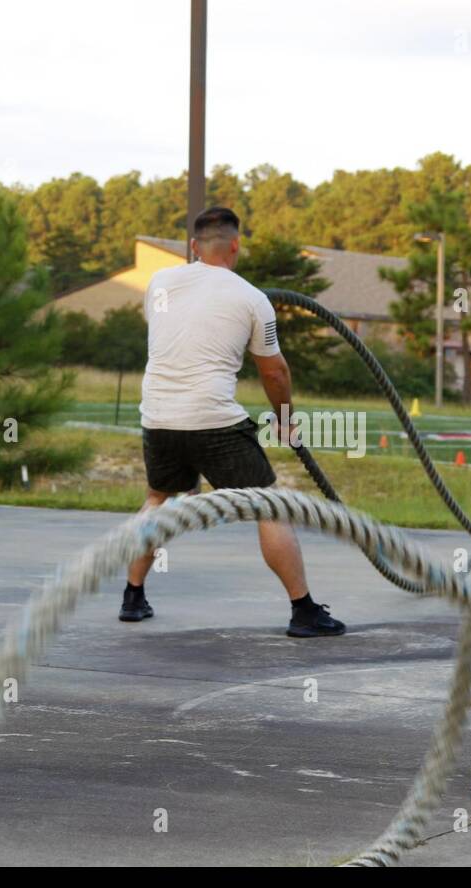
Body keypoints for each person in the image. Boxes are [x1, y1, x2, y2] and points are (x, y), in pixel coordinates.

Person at [119, 206, 346, 639]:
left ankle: (133, 597)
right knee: (268, 504)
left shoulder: (160, 283)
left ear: (192, 246)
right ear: (236, 246)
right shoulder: (252, 298)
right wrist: (284, 421)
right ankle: (303, 611)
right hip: (212, 419)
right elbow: (275, 372)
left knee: (157, 499)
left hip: (159, 416)